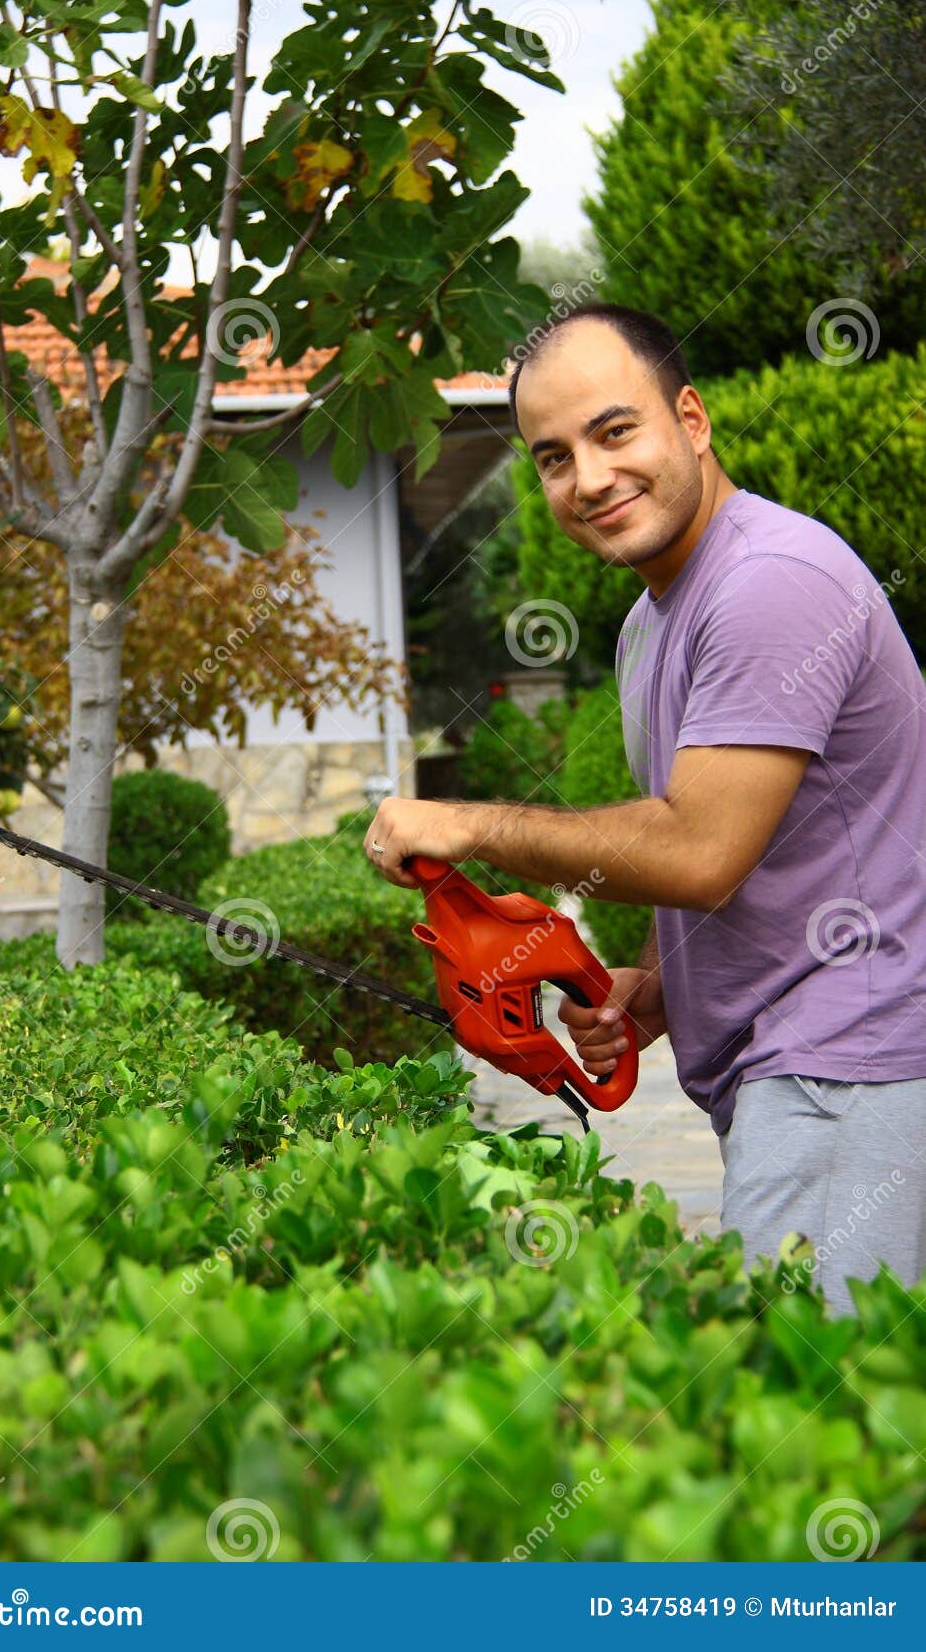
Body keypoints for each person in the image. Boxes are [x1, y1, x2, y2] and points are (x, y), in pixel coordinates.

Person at [363, 303, 926, 1317]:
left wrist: (466, 824)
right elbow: (754, 849)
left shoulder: (767, 585)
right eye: (552, 456)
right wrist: (657, 987)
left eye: (613, 431)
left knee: (806, 1421)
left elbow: (699, 849)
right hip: (789, 1074)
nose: (587, 477)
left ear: (691, 421)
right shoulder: (648, 623)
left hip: (847, 1068)